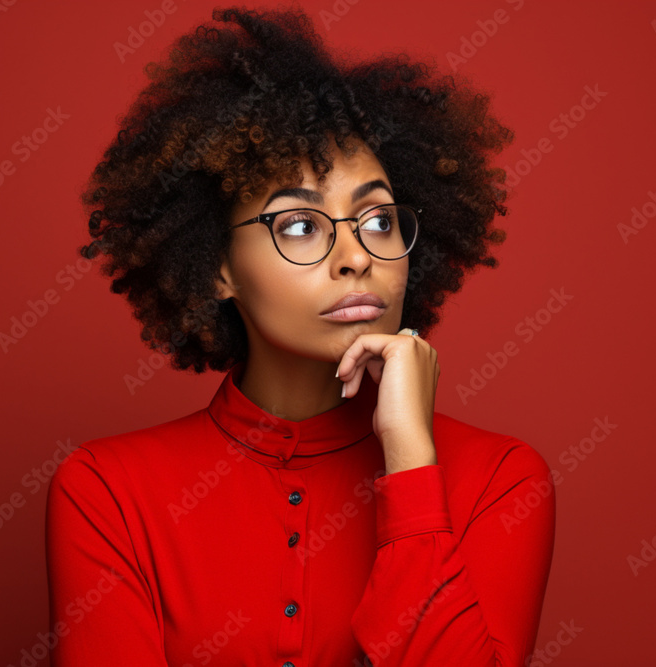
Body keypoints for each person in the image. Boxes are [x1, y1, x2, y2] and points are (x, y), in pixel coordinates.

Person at [45, 6, 555, 666]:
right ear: (220, 266)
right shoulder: (107, 491)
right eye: (300, 226)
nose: (356, 256)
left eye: (377, 220)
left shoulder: (501, 482)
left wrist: (408, 458)